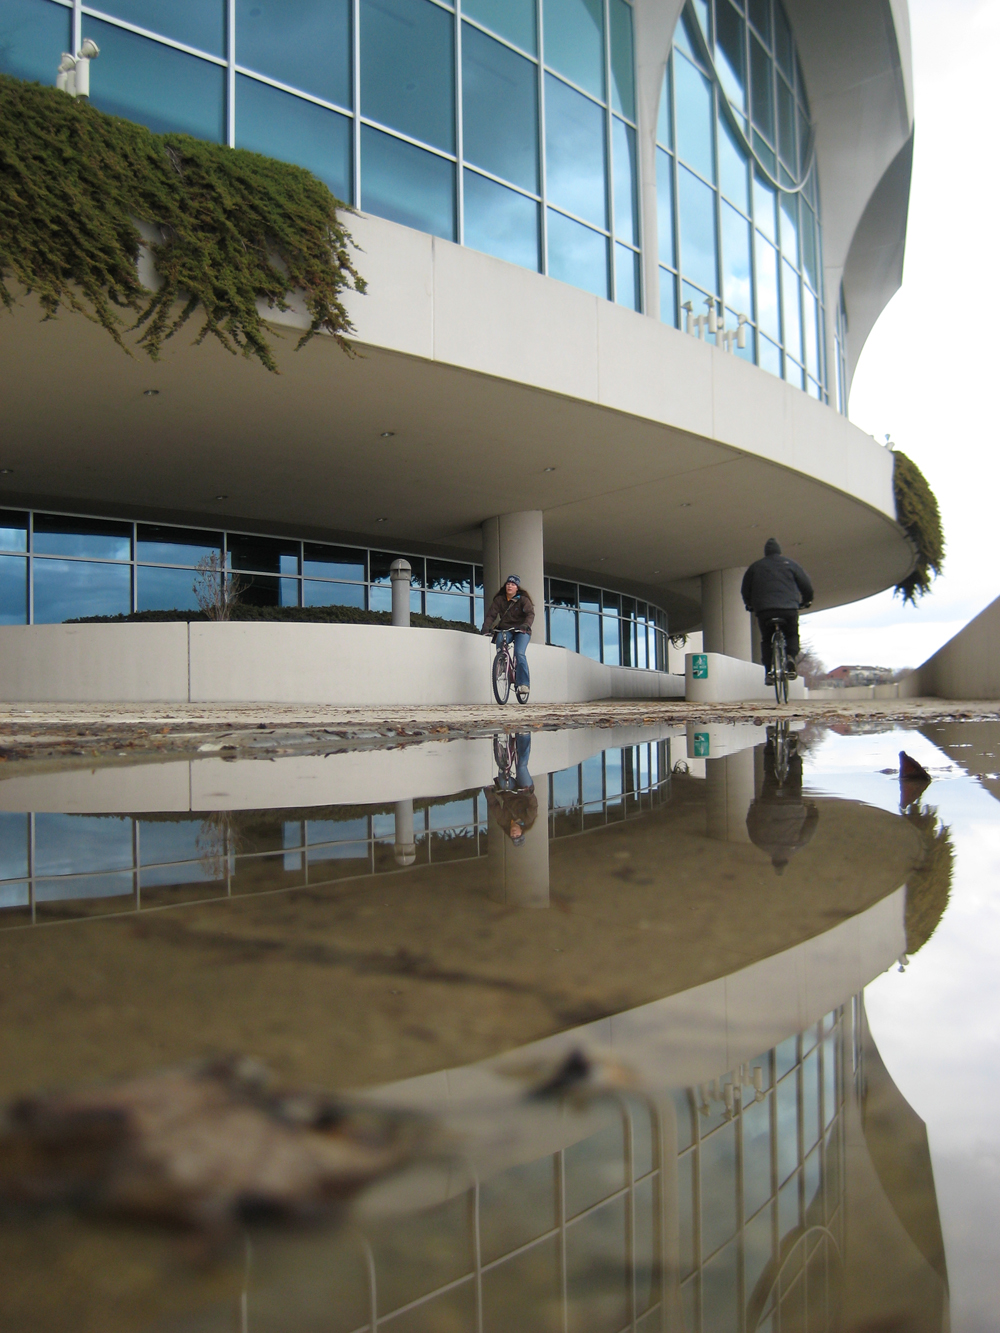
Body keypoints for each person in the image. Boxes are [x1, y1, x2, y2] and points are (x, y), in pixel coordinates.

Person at [741, 538, 813, 682]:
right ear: (779, 551)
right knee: (792, 634)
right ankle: (791, 658)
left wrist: (749, 604)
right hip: (789, 608)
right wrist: (807, 600)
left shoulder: (756, 566)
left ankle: (769, 672)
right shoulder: (791, 564)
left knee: (767, 639)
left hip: (764, 610)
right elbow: (806, 585)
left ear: (766, 552)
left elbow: (745, 589)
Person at [482, 574, 535, 701]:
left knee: (519, 653)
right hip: (506, 629)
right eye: (508, 584)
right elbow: (491, 615)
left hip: (522, 630)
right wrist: (486, 628)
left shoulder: (523, 600)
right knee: (500, 638)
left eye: (512, 584)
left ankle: (523, 684)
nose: (509, 586)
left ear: (517, 588)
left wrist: (526, 625)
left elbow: (530, 614)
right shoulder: (499, 600)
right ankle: (501, 664)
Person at [485, 734, 537, 846]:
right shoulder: (528, 819)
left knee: (503, 777)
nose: (514, 834)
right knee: (522, 766)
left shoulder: (503, 821)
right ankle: (524, 736)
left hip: (509, 791)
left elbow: (494, 805)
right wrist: (529, 794)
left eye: (513, 836)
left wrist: (488, 791)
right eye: (517, 835)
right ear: (521, 831)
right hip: (524, 791)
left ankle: (502, 755)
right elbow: (533, 805)